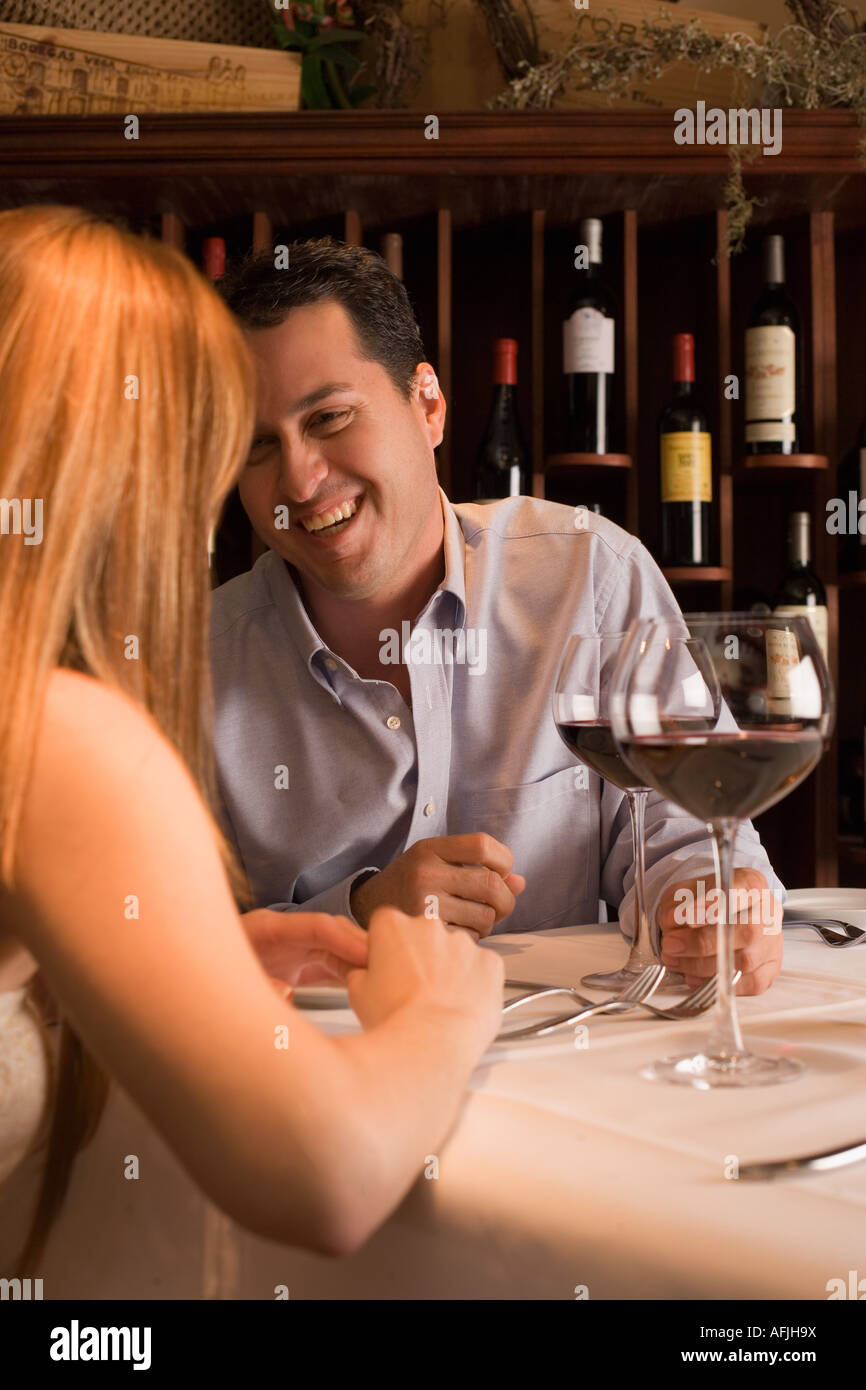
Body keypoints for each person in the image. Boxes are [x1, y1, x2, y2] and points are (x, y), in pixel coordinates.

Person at [0, 205, 504, 1280]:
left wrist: (197, 960)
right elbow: (327, 1176)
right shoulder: (59, 729)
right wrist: (438, 1016)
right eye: (220, 437)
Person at [211, 238, 785, 996]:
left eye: (328, 419)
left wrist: (702, 900)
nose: (299, 479)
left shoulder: (592, 577)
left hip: (578, 1075)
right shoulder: (196, 658)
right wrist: (360, 917)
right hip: (312, 1082)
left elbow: (689, 830)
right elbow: (158, 949)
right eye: (257, 447)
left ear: (429, 406)